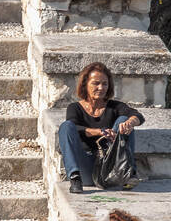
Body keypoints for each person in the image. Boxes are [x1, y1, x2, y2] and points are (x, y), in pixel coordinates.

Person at [59, 62, 144, 193]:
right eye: (96, 83)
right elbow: (74, 128)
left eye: (105, 84)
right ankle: (75, 178)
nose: (101, 87)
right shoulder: (75, 108)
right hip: (87, 168)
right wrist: (99, 132)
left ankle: (129, 173)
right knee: (66, 126)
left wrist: (130, 122)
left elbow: (137, 115)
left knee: (124, 120)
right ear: (85, 85)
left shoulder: (114, 106)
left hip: (112, 167)